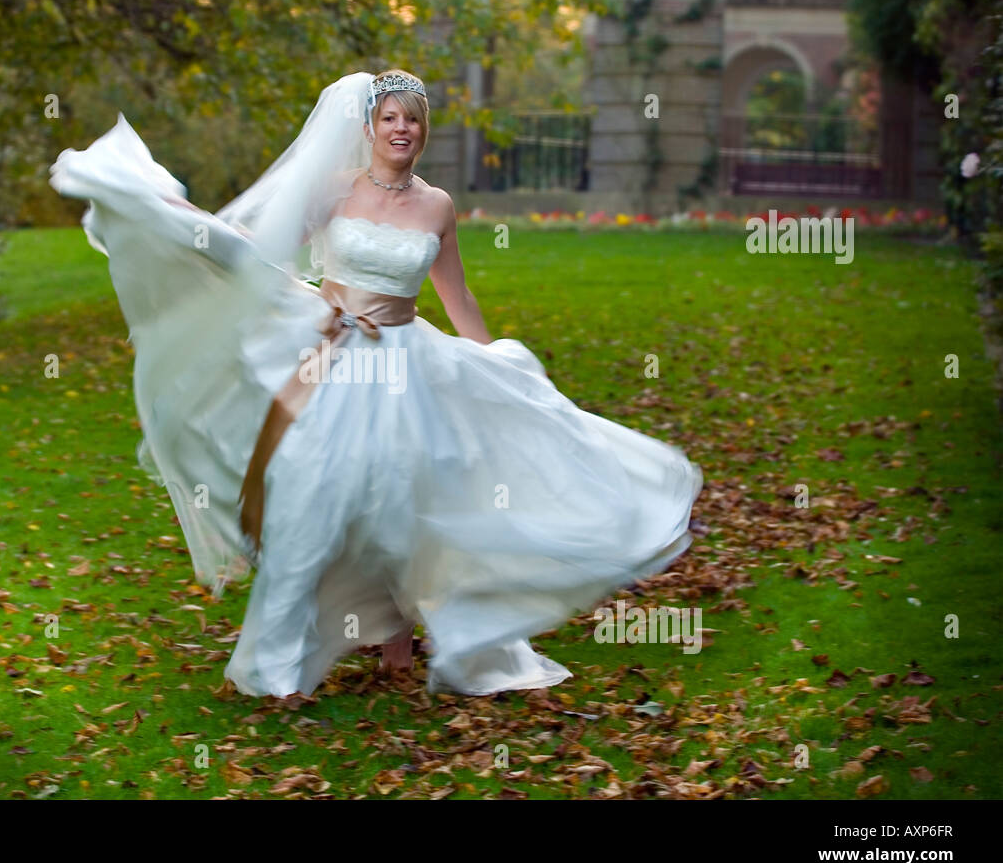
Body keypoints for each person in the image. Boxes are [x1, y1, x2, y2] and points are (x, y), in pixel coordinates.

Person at [49, 69, 703, 699]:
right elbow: (259, 249)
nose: (401, 129)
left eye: (412, 120)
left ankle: (397, 634)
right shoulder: (335, 190)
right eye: (389, 117)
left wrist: (493, 365)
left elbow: (456, 294)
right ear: (369, 126)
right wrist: (178, 214)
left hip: (407, 362)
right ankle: (271, 667)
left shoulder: (437, 206)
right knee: (312, 494)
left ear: (424, 131)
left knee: (403, 495)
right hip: (327, 351)